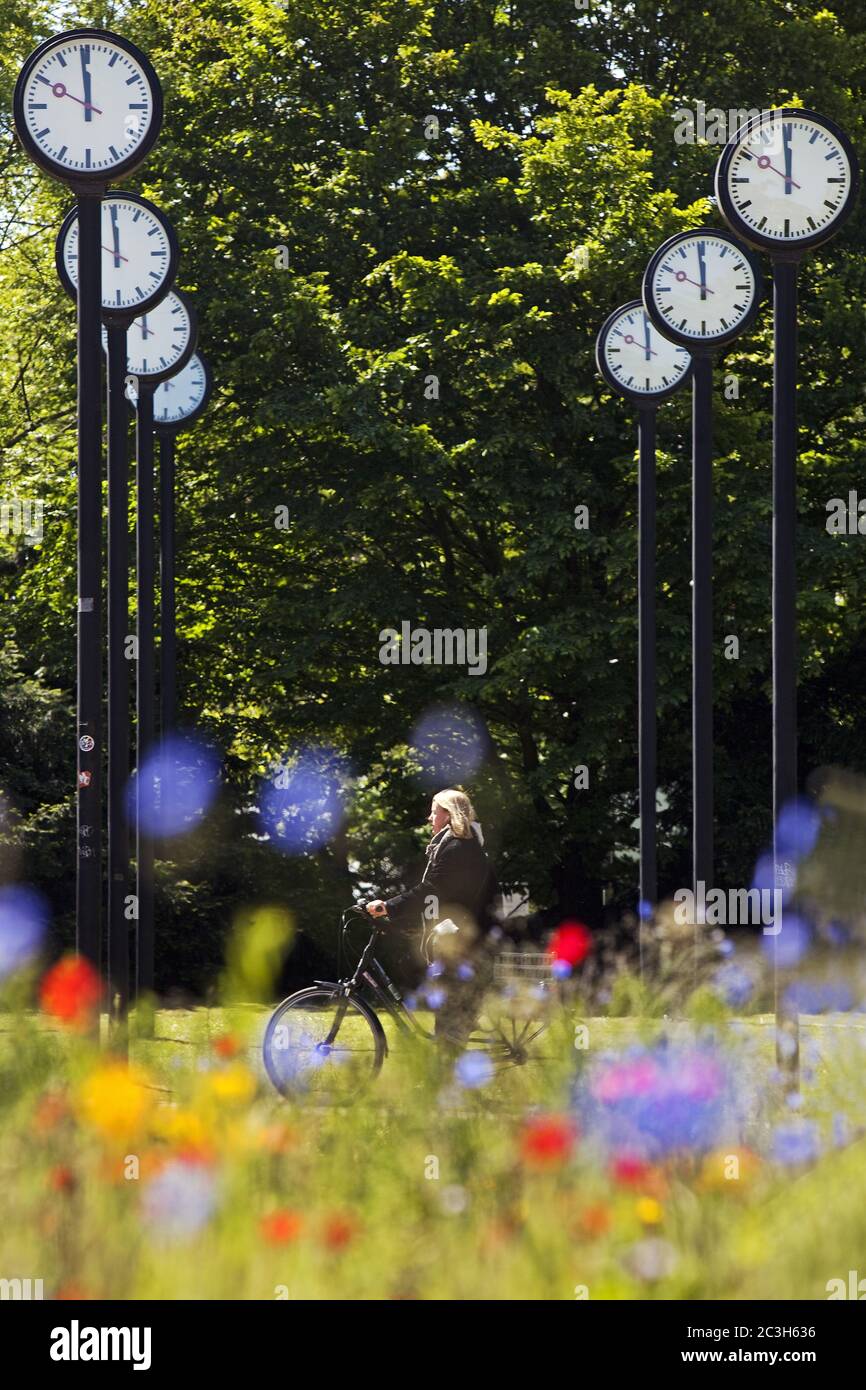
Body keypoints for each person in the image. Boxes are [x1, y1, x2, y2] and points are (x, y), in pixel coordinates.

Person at [366, 789, 499, 1049]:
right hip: (465, 935)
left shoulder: (457, 848)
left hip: (464, 940)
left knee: (449, 1013)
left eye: (434, 811)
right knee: (448, 1007)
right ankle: (449, 1059)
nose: (429, 817)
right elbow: (444, 897)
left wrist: (388, 906)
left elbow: (431, 891)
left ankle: (448, 1067)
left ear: (448, 815)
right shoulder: (459, 845)